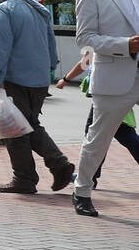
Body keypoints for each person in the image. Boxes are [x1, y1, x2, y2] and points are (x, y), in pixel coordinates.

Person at [0, 0, 75, 195]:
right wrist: (51, 69)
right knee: (28, 124)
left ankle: (28, 177)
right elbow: (51, 43)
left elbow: (1, 48)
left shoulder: (3, 10)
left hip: (15, 78)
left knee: (15, 129)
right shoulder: (38, 8)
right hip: (39, 79)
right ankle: (56, 166)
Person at [70, 0, 139, 217]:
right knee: (98, 140)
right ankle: (82, 191)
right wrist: (124, 45)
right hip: (114, 78)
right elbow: (84, 39)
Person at [58, 53, 139, 186]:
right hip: (111, 95)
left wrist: (66, 79)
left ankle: (89, 177)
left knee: (97, 136)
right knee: (113, 136)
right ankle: (90, 176)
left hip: (109, 96)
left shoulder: (102, 39)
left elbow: (85, 61)